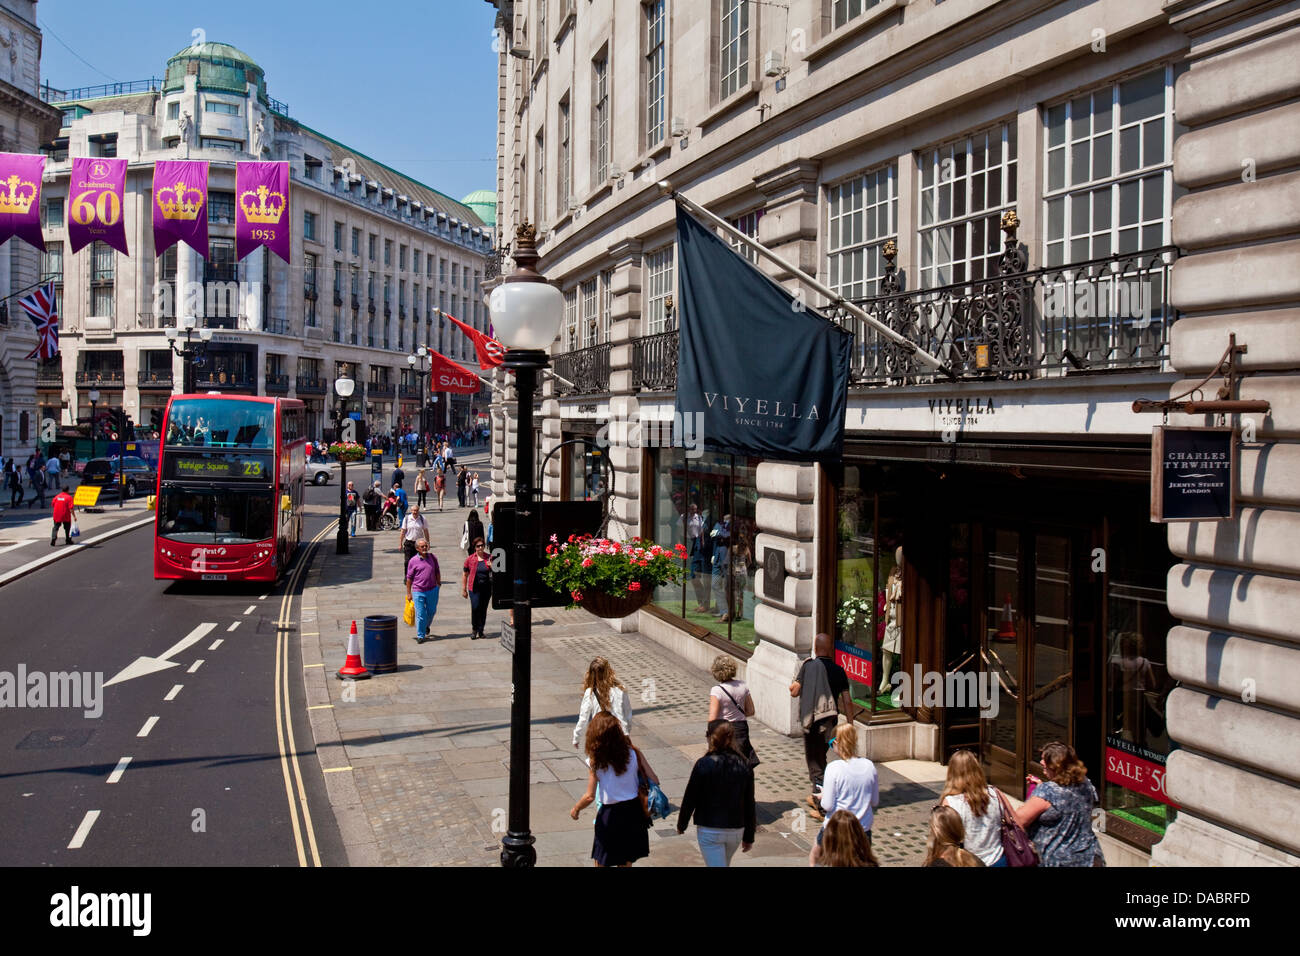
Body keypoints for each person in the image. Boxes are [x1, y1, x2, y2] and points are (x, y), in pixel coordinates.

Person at [570, 712, 656, 867]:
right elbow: (654, 779)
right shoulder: (634, 753)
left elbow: (590, 796)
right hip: (634, 812)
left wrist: (576, 809)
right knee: (626, 860)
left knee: (602, 859)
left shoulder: (596, 761)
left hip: (610, 815)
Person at [789, 632, 853, 819]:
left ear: (816, 648)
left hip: (812, 722)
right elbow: (847, 701)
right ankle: (821, 794)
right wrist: (849, 724)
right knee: (822, 757)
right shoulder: (839, 670)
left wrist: (794, 683)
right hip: (830, 723)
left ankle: (822, 807)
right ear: (830, 649)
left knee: (814, 762)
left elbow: (794, 691)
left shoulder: (808, 666)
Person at [676, 720, 756, 867]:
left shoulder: (703, 764)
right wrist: (749, 836)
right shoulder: (744, 764)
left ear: (709, 737)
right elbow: (749, 803)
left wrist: (682, 824)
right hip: (736, 829)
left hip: (710, 829)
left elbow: (690, 798)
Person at [1015, 741, 1106, 867]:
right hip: (1089, 858)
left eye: (1044, 759)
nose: (1041, 763)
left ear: (1054, 765)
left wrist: (1034, 795)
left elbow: (1019, 819)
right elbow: (1067, 803)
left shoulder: (1048, 792)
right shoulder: (1086, 785)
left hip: (1057, 860)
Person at [809, 721, 878, 865]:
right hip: (863, 827)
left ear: (838, 742)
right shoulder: (869, 766)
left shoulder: (834, 768)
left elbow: (827, 805)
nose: (831, 746)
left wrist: (823, 796)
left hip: (836, 827)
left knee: (815, 854)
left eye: (831, 743)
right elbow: (874, 801)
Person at [940, 749, 1007, 867]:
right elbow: (1015, 821)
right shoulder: (995, 793)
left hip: (967, 862)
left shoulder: (951, 803)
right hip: (997, 860)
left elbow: (945, 842)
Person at [708, 655, 759, 768]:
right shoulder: (743, 686)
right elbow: (751, 711)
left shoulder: (717, 691)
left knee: (726, 764)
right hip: (741, 728)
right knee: (742, 762)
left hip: (724, 730)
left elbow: (712, 718)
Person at [573, 657, 632, 748]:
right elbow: (628, 714)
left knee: (598, 761)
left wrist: (576, 737)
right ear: (609, 671)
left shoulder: (590, 692)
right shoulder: (621, 689)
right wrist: (626, 732)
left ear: (590, 674)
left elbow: (583, 718)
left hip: (600, 734)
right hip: (619, 735)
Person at [404, 537, 442, 643]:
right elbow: (409, 578)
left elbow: (437, 570)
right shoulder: (413, 561)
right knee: (420, 614)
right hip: (418, 591)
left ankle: (426, 626)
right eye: (422, 546)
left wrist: (438, 583)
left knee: (431, 611)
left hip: (432, 589)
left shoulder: (433, 557)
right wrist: (409, 593)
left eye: (426, 546)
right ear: (417, 548)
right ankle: (420, 635)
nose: (425, 548)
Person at [461, 537, 493, 640]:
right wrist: (464, 589)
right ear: (474, 547)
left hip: (486, 588)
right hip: (474, 588)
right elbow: (465, 574)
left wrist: (492, 566)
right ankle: (474, 629)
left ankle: (481, 630)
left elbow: (499, 572)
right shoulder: (470, 559)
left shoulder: (490, 558)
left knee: (483, 609)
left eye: (482, 545)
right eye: (478, 546)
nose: (480, 548)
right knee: (475, 608)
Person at [398, 503, 429, 573]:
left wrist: (428, 543)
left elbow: (426, 531)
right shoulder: (406, 519)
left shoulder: (422, 519)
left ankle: (418, 576)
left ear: (418, 511)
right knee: (407, 561)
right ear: (411, 511)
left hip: (419, 544)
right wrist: (400, 543)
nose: (415, 512)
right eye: (413, 510)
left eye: (416, 510)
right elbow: (403, 531)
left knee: (420, 561)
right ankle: (407, 577)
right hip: (409, 543)